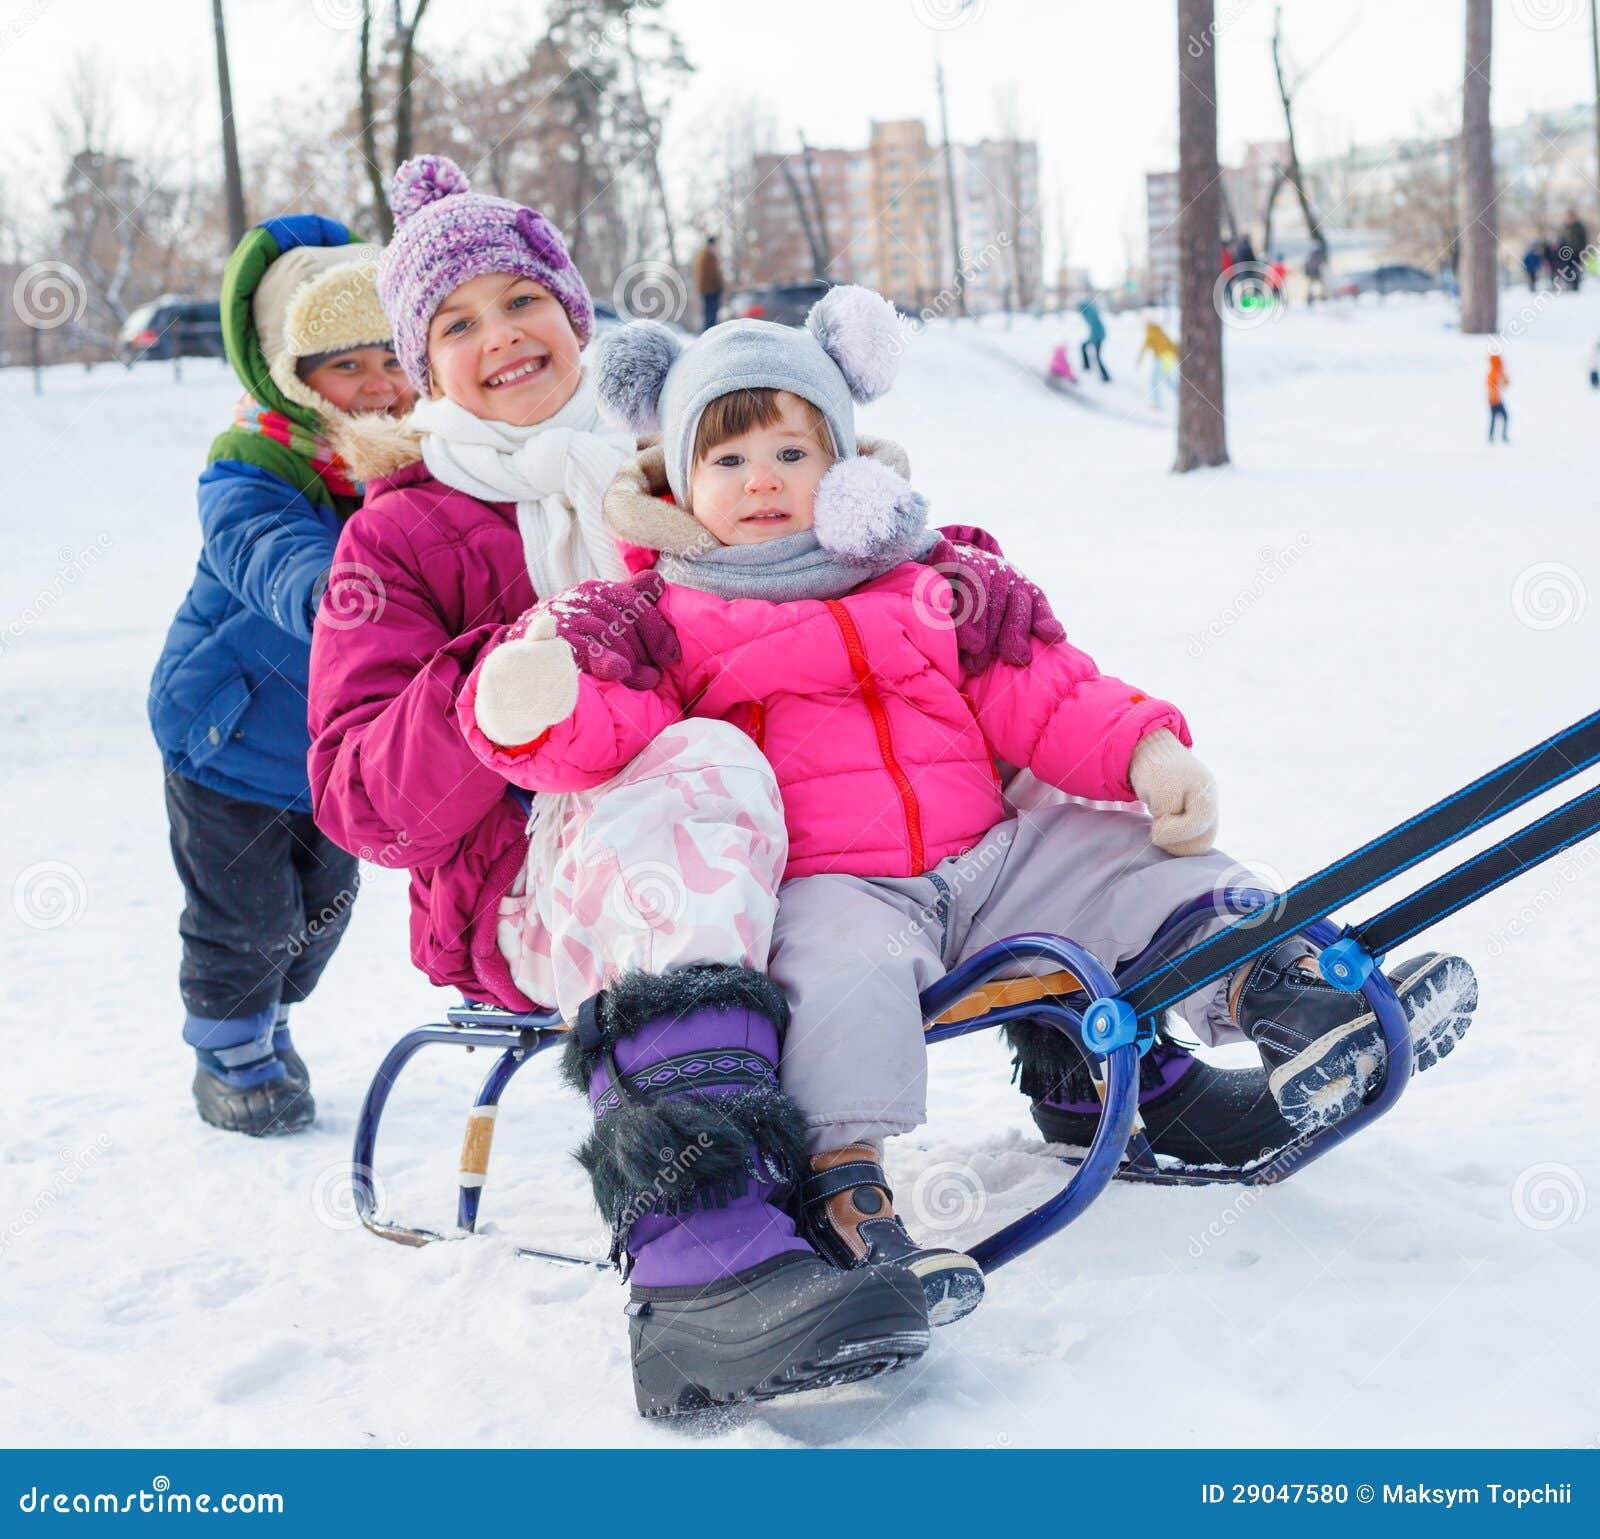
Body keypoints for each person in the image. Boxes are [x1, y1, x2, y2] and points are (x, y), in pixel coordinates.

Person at [460, 288, 1479, 1405]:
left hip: (986, 866)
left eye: (794, 448)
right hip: (838, 885)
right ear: (674, 481)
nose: (762, 479)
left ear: (844, 465)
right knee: (836, 972)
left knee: (1126, 857)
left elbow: (1041, 689)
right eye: (731, 454)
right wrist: (536, 701)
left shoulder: (931, 582)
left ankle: (1282, 992)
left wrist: (1141, 751)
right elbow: (603, 724)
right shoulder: (660, 612)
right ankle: (843, 1188)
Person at [306, 159, 1066, 1415]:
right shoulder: (398, 534)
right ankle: (697, 1261)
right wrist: (514, 672)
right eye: (456, 322)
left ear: (574, 310)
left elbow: (862, 591)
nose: (500, 338)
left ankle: (1117, 1048)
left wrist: (953, 594)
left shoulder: (688, 457)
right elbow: (352, 794)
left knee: (982, 726)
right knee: (693, 766)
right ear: (421, 363)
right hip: (542, 879)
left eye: (520, 300)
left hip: (789, 838)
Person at [148, 217, 414, 1137]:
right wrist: (340, 592)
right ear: (288, 376)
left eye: (392, 357)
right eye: (346, 366)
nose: (377, 384)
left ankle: (271, 1011)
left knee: (321, 915)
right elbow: (267, 550)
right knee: (245, 918)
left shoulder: (418, 468)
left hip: (329, 754)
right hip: (224, 737)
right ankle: (230, 1051)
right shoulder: (253, 464)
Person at [1137, 318, 1179, 406]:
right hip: (1169, 356)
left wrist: (1139, 360)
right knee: (1167, 379)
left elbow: (1144, 347)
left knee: (1154, 380)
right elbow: (1170, 343)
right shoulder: (1159, 330)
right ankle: (1181, 394)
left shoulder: (1150, 332)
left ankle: (1157, 404)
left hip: (1162, 357)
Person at [692, 233, 723, 332]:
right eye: (714, 245)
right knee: (710, 316)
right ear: (711, 245)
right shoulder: (706, 257)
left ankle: (710, 333)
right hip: (710, 291)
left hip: (712, 291)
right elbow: (707, 276)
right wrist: (714, 288)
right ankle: (709, 335)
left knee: (711, 315)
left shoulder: (710, 257)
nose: (716, 248)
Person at [1078, 296, 1110, 381]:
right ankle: (1087, 366)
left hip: (1098, 337)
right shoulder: (1089, 312)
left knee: (1097, 356)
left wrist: (1092, 340)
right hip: (1097, 336)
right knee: (1084, 346)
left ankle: (1106, 376)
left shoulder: (1089, 314)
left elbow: (1095, 328)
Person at [1558, 208, 1588, 291]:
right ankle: (1568, 283)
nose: (1570, 219)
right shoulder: (1565, 227)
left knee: (1576, 268)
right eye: (1568, 217)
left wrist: (1583, 250)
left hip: (1577, 251)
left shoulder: (1579, 227)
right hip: (1567, 252)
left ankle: (1576, 285)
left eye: (1571, 217)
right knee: (1567, 268)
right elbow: (1562, 239)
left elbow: (1584, 240)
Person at [1487, 347, 1510, 442]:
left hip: (1495, 399)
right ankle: (1497, 436)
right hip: (1494, 400)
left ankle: (1492, 436)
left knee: (1496, 418)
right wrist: (1493, 397)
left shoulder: (1496, 371)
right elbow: (1491, 386)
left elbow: (1506, 381)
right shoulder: (1493, 373)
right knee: (1504, 416)